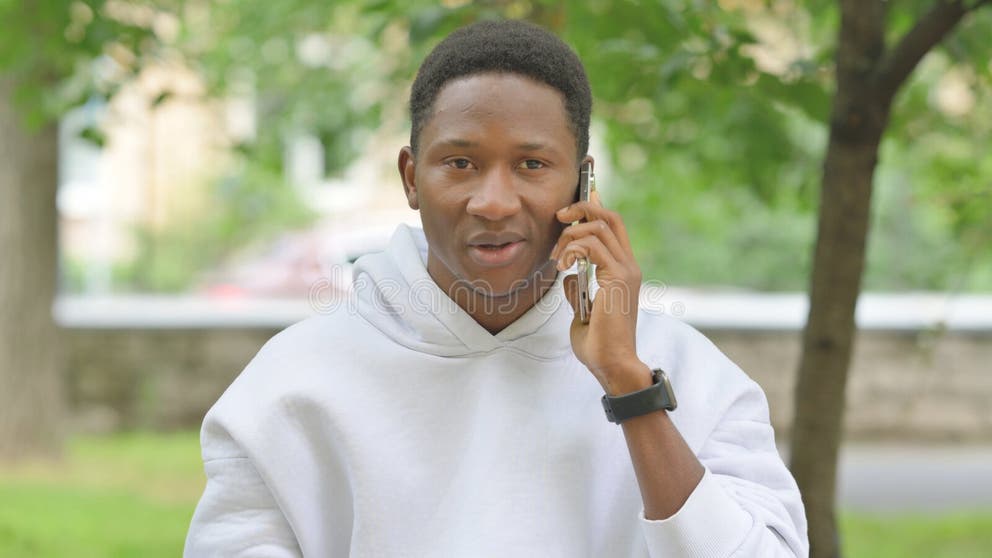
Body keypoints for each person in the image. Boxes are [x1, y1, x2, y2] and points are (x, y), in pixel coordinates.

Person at [185, 19, 808, 557]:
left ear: (583, 182)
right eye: (461, 163)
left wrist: (628, 384)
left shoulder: (693, 377)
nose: (492, 201)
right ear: (410, 177)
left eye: (532, 165)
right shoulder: (290, 387)